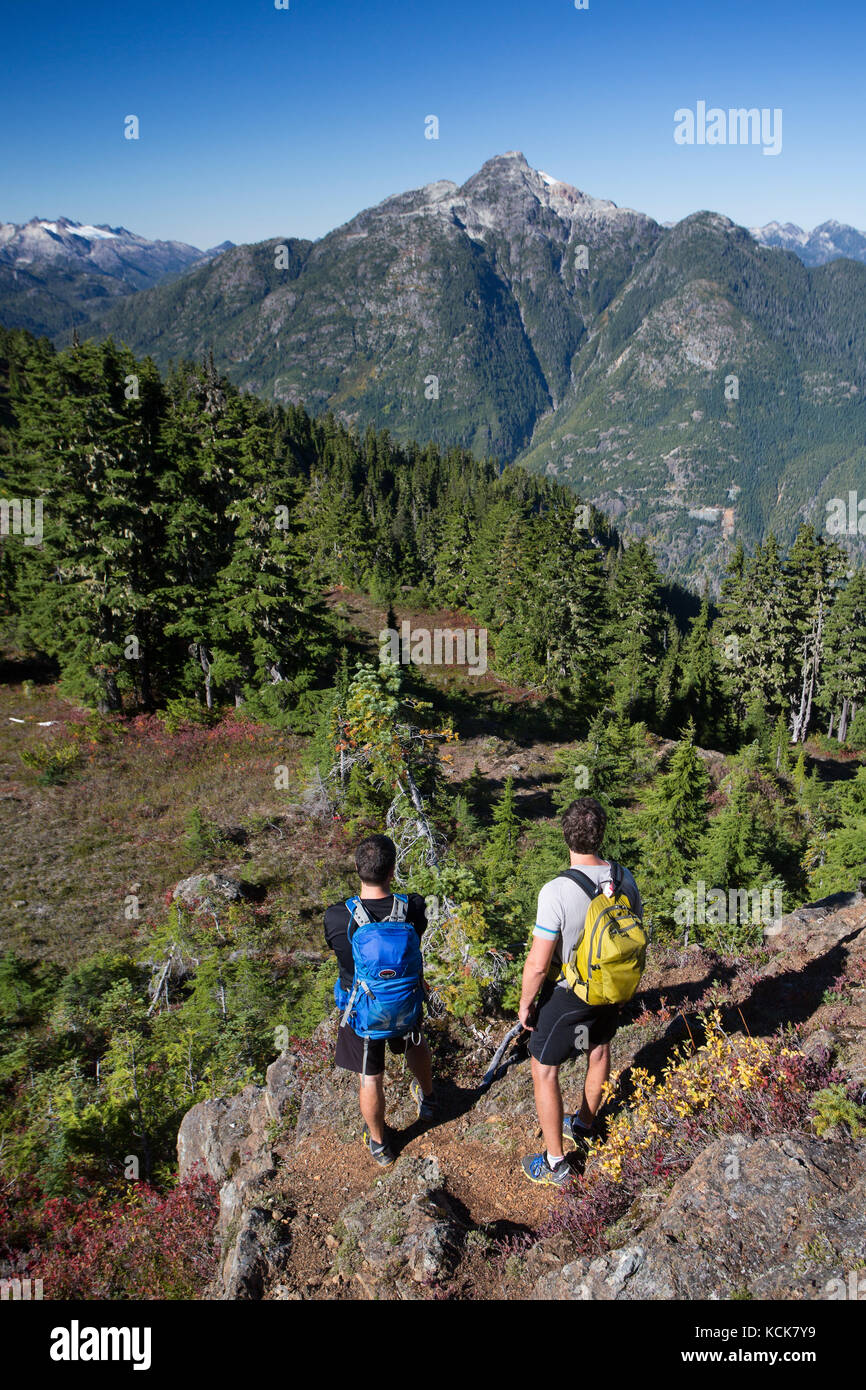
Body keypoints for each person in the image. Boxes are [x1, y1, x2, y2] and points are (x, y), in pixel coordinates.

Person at [517, 797, 642, 1187]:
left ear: (566, 837)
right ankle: (585, 1124)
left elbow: (538, 964)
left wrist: (525, 1005)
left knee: (544, 1069)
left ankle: (556, 1164)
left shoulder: (556, 891)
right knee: (599, 1050)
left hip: (571, 994)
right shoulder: (625, 878)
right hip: (612, 987)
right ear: (601, 834)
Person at [324, 833, 437, 1167]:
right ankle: (429, 1101)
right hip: (406, 1001)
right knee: (416, 1044)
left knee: (370, 1077)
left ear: (358, 868)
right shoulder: (413, 907)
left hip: (363, 1009)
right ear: (392, 871)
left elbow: (340, 954)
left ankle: (379, 1144)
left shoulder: (336, 917)